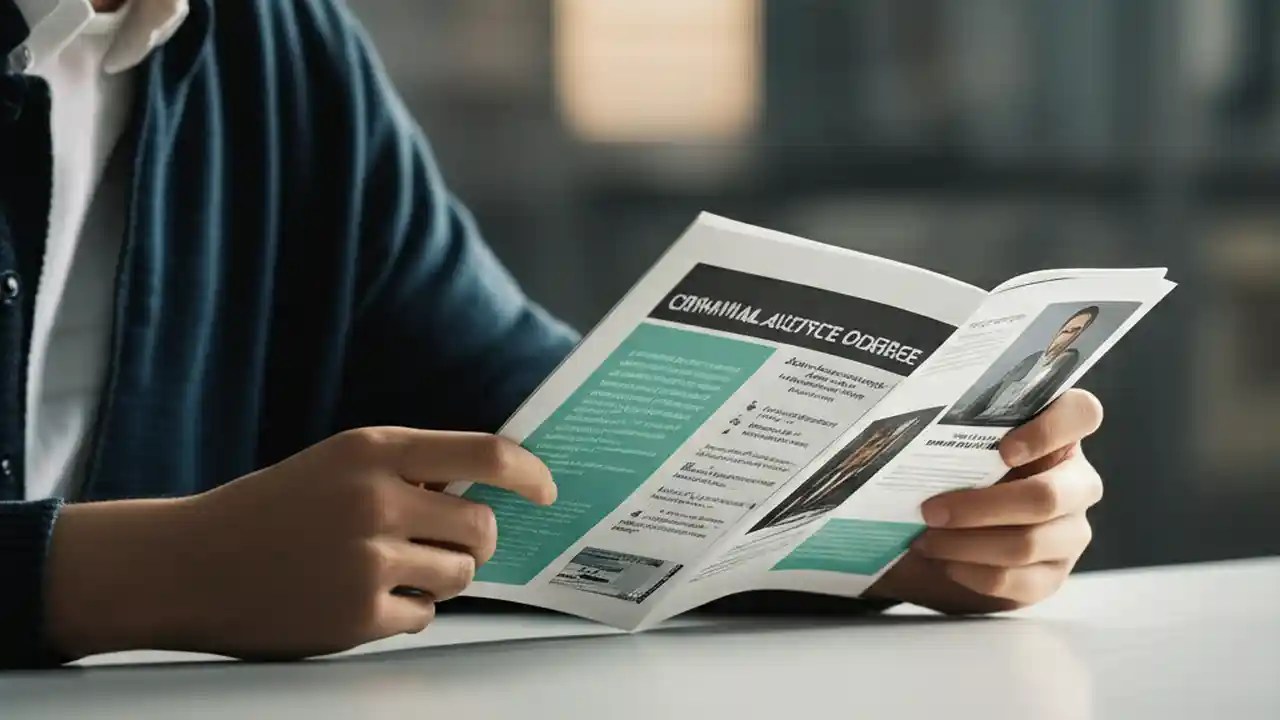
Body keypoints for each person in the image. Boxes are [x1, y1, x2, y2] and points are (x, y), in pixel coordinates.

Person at [0, 0, 1107, 668]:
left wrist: (884, 534)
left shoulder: (281, 47)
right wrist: (107, 576)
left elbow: (545, 453)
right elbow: (166, 575)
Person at [947, 307, 1099, 425]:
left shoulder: (1068, 360)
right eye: (1066, 328)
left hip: (1006, 422)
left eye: (1075, 330)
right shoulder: (1032, 358)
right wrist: (966, 413)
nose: (1066, 333)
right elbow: (996, 387)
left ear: (1080, 334)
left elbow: (1041, 400)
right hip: (983, 417)